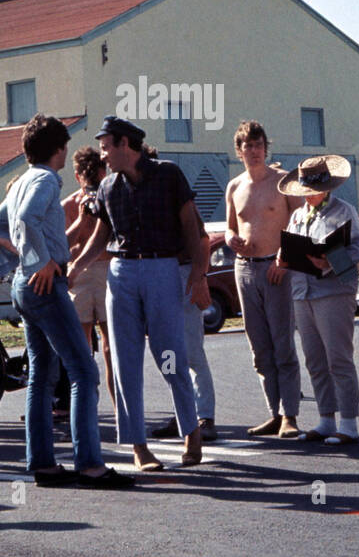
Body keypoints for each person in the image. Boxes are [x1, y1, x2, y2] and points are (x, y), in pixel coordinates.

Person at [70, 116, 205, 472]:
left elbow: (191, 224)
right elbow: (102, 234)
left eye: (105, 147)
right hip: (122, 272)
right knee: (125, 360)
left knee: (170, 355)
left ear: (124, 145)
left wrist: (200, 274)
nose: (103, 156)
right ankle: (138, 446)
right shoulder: (107, 186)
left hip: (162, 269)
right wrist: (77, 267)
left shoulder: (168, 174)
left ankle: (191, 430)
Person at [8, 115, 132, 488]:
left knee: (41, 376)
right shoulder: (46, 178)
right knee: (84, 372)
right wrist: (42, 260)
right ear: (58, 149)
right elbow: (29, 218)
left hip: (23, 284)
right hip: (44, 282)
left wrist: (32, 256)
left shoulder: (20, 182)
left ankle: (42, 462)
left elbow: (3, 224)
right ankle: (90, 464)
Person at [277, 155, 359, 446]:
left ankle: (349, 423)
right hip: (302, 292)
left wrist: (327, 260)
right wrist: (284, 257)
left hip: (334, 291)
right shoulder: (296, 216)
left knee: (338, 357)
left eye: (312, 188)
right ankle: (326, 419)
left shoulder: (344, 211)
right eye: (304, 189)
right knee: (314, 359)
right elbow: (290, 247)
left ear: (327, 187)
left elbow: (358, 251)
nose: (308, 194)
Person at [224, 120, 303, 439]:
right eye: (247, 146)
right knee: (259, 346)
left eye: (258, 145)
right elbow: (231, 226)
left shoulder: (284, 182)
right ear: (239, 150)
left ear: (265, 148)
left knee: (283, 343)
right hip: (244, 269)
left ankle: (290, 415)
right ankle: (274, 411)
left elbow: (300, 225)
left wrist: (285, 260)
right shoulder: (234, 186)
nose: (254, 151)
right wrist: (230, 238)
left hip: (276, 268)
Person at [150, 157, 218, 442]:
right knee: (167, 354)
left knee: (191, 351)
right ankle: (181, 412)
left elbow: (203, 239)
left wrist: (199, 278)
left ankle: (205, 417)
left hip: (183, 273)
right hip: (158, 276)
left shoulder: (177, 197)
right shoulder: (142, 198)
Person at [63, 146, 114, 405]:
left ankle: (121, 413)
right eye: (87, 177)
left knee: (111, 348)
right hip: (79, 277)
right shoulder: (69, 206)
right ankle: (87, 409)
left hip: (107, 273)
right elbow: (63, 247)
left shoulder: (112, 198)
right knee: (83, 350)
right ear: (77, 176)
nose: (93, 182)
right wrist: (81, 221)